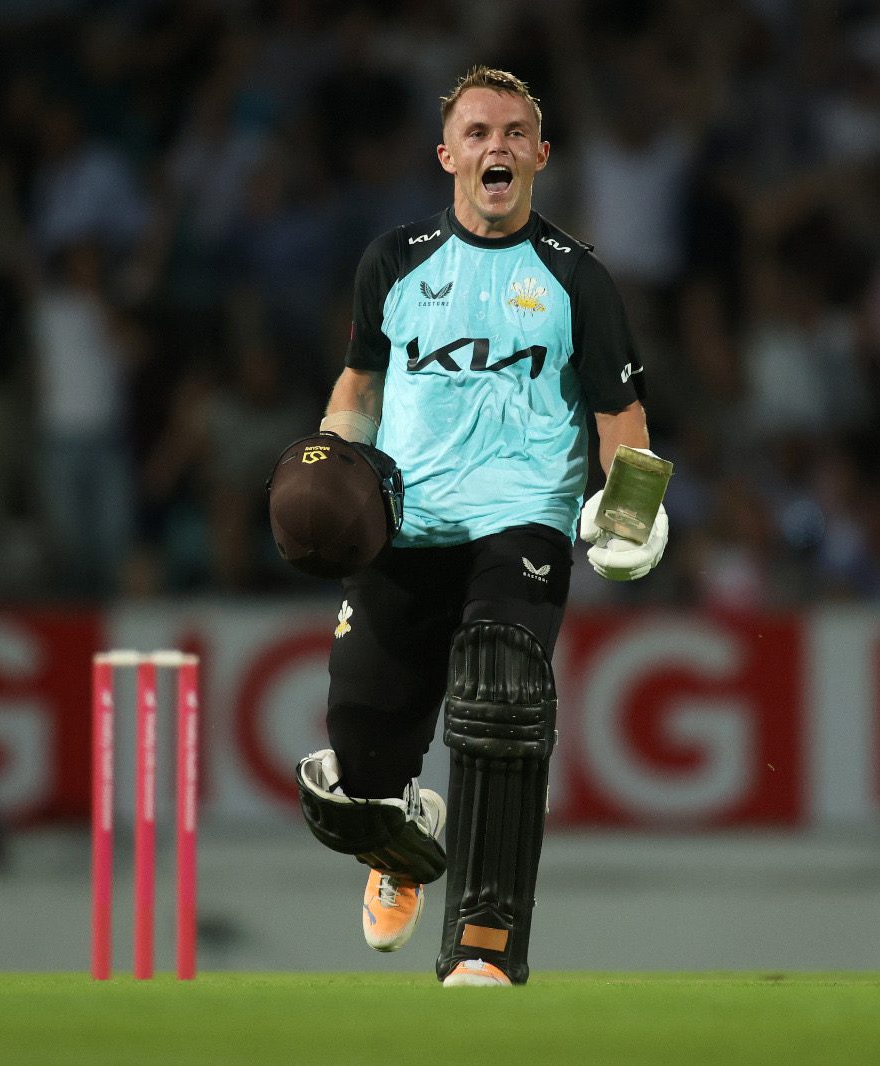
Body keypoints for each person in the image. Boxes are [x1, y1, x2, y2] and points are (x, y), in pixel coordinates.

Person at [290, 66, 668, 988]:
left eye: (513, 132)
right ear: (447, 152)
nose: (494, 146)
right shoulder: (394, 259)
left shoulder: (580, 278)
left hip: (522, 521)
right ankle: (404, 843)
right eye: (477, 131)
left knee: (501, 685)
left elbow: (624, 428)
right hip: (407, 523)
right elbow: (361, 386)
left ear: (540, 155)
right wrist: (333, 458)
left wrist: (633, 517)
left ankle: (485, 941)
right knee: (363, 761)